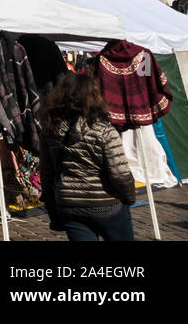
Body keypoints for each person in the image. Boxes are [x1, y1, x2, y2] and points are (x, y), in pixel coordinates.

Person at [40, 71, 136, 242]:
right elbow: (119, 173)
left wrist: (52, 206)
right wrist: (129, 197)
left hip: (70, 204)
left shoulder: (50, 130)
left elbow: (47, 173)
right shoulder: (105, 131)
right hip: (105, 203)